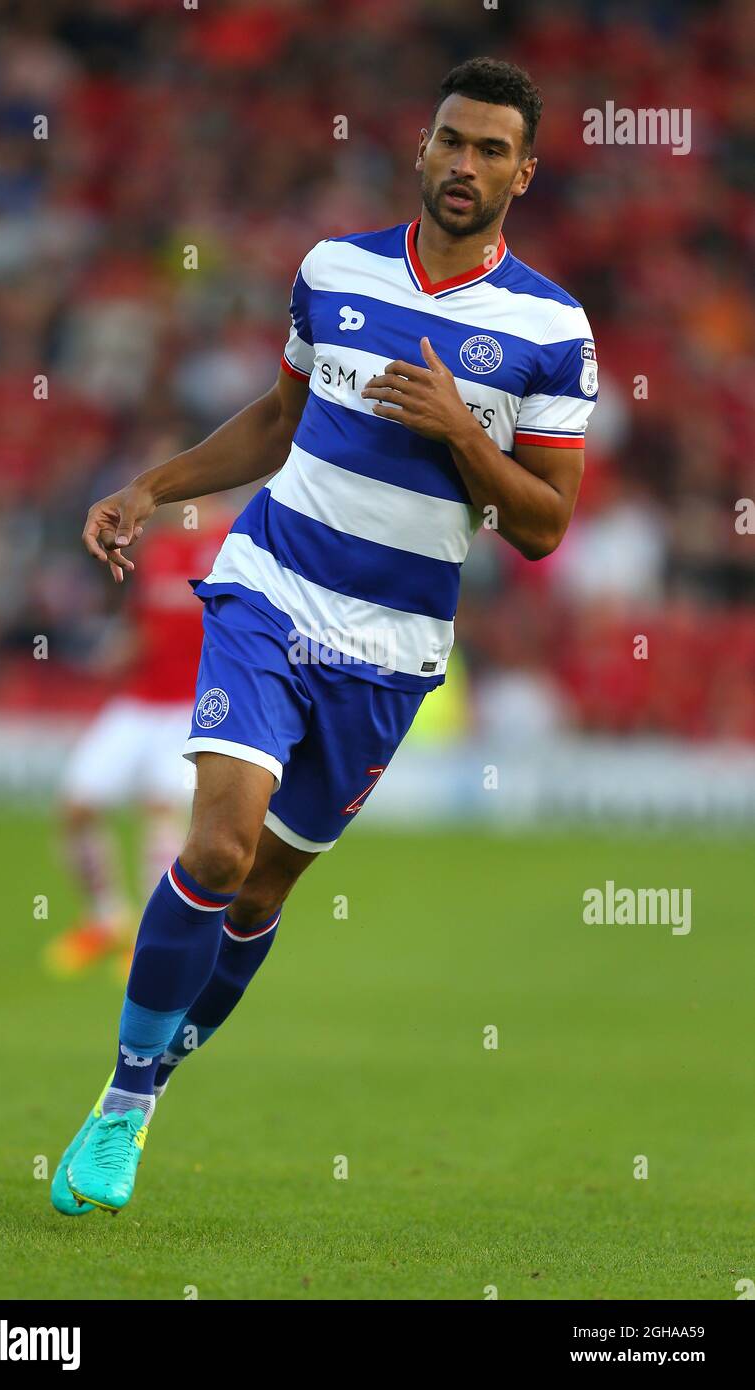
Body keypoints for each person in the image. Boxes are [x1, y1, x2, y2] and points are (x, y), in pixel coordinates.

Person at [51, 57, 598, 1217]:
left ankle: (143, 1084)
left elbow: (542, 525)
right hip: (271, 583)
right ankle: (123, 1105)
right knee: (212, 850)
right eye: (451, 140)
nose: (464, 165)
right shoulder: (332, 270)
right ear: (422, 148)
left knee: (259, 895)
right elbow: (280, 417)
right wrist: (153, 488)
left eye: (491, 149)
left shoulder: (552, 329)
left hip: (392, 644)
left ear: (524, 172)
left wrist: (460, 429)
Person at [44, 504, 232, 979]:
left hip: (191, 704)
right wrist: (110, 656)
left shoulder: (232, 541)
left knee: (161, 808)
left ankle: (152, 940)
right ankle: (107, 919)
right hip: (137, 701)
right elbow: (144, 623)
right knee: (76, 808)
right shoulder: (159, 549)